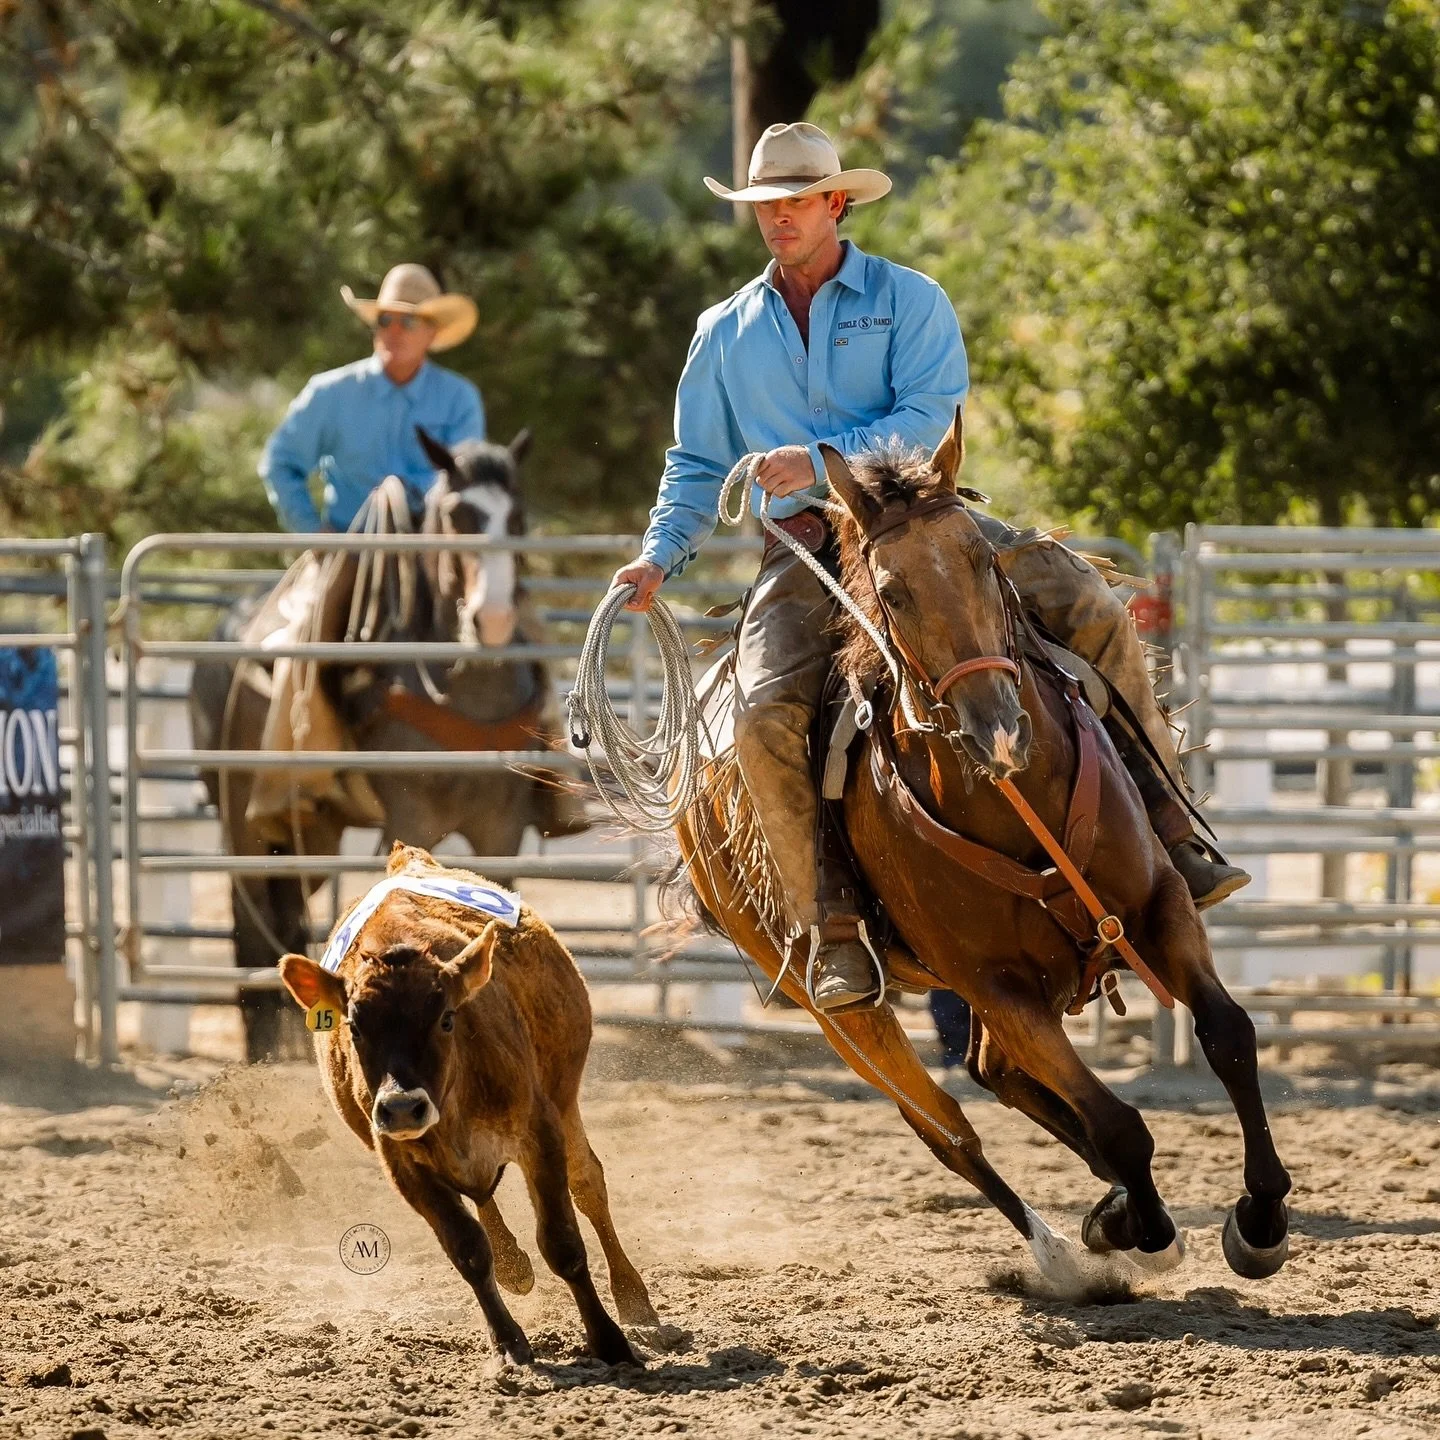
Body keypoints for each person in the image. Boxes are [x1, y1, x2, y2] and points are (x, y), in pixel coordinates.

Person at [612, 122, 1247, 1014]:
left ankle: (1171, 827)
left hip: (923, 525)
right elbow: (695, 464)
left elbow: (927, 415)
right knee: (759, 718)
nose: (779, 219)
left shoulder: (910, 299)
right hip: (807, 551)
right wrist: (656, 557)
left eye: (795, 202)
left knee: (1094, 607)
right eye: (766, 206)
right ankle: (827, 926)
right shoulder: (725, 332)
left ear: (837, 202)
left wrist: (820, 456)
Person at [260, 263, 484, 532]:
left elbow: (468, 481)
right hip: (346, 548)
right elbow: (280, 461)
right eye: (385, 319)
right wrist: (313, 533)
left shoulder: (459, 399)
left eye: (409, 321)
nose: (394, 331)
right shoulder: (330, 393)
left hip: (428, 549)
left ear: (431, 332)